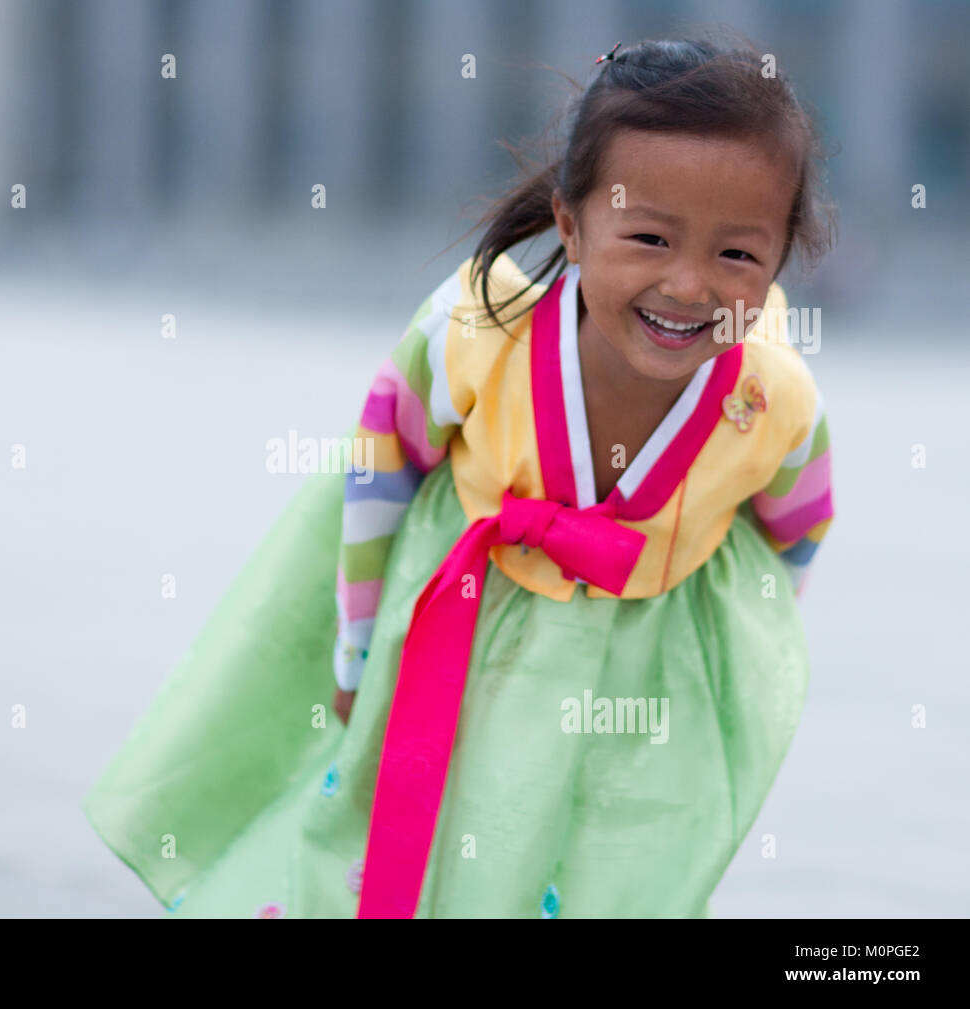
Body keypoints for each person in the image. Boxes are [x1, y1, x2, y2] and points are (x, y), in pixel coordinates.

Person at [83, 31, 836, 918]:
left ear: (782, 256)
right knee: (418, 841)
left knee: (605, 872)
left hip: (636, 680)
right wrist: (357, 647)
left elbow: (789, 541)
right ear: (571, 224)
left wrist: (728, 673)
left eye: (737, 255)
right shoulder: (480, 331)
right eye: (649, 236)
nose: (687, 285)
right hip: (457, 630)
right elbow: (380, 466)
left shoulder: (772, 399)